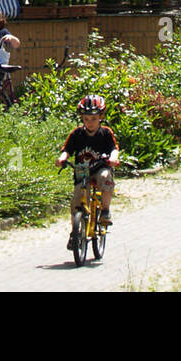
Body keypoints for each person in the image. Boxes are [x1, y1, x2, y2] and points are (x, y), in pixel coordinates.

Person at [56, 93, 120, 248]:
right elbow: (67, 149)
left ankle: (105, 211)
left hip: (100, 167)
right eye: (86, 119)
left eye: (93, 119)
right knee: (76, 201)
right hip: (82, 170)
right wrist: (62, 158)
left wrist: (113, 158)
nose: (89, 123)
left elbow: (114, 149)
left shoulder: (105, 133)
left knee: (106, 177)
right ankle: (75, 233)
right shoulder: (77, 134)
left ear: (101, 117)